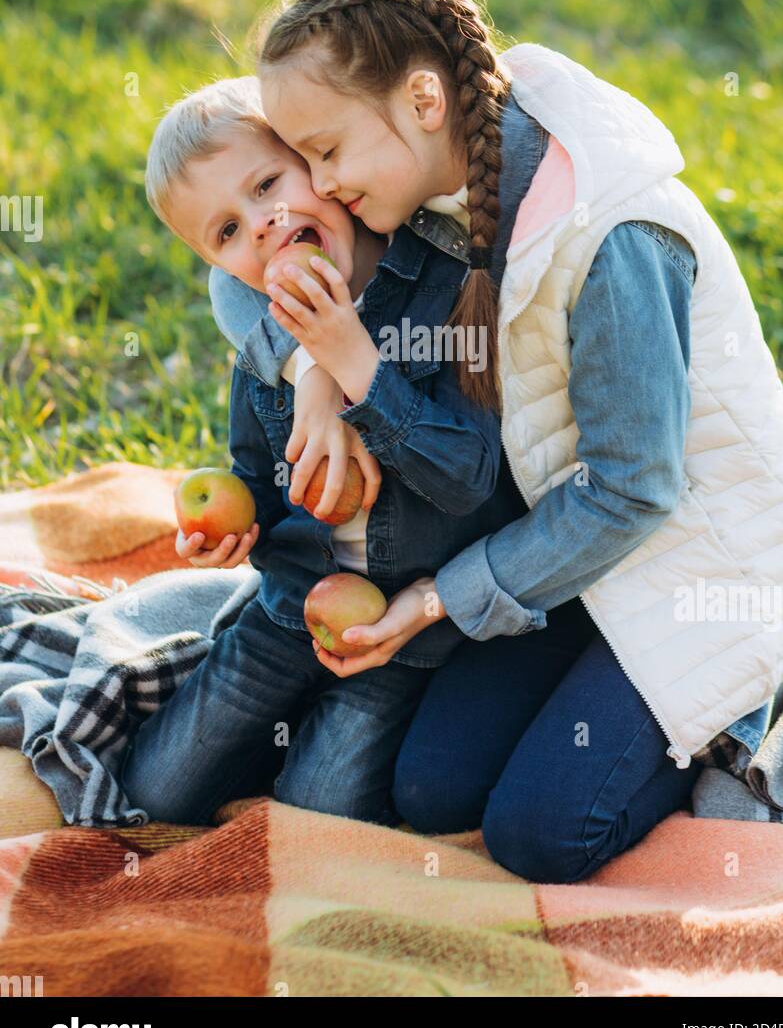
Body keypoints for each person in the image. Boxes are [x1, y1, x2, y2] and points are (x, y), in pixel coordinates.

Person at [209, 0, 783, 883]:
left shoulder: (613, 233)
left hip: (697, 572)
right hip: (574, 567)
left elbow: (634, 491)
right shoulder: (436, 180)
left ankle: (757, 705)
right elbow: (229, 274)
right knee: (431, 791)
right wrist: (312, 373)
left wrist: (437, 598)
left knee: (541, 834)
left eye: (327, 151)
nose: (320, 187)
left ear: (423, 101)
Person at [123, 76, 519, 828]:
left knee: (318, 812)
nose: (263, 225)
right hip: (292, 605)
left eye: (268, 183)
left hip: (403, 629)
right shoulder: (265, 339)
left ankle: (338, 739)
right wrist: (241, 528)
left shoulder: (443, 295)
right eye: (227, 232)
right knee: (156, 793)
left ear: (317, 160)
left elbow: (471, 479)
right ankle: (279, 729)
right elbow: (256, 472)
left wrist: (352, 361)